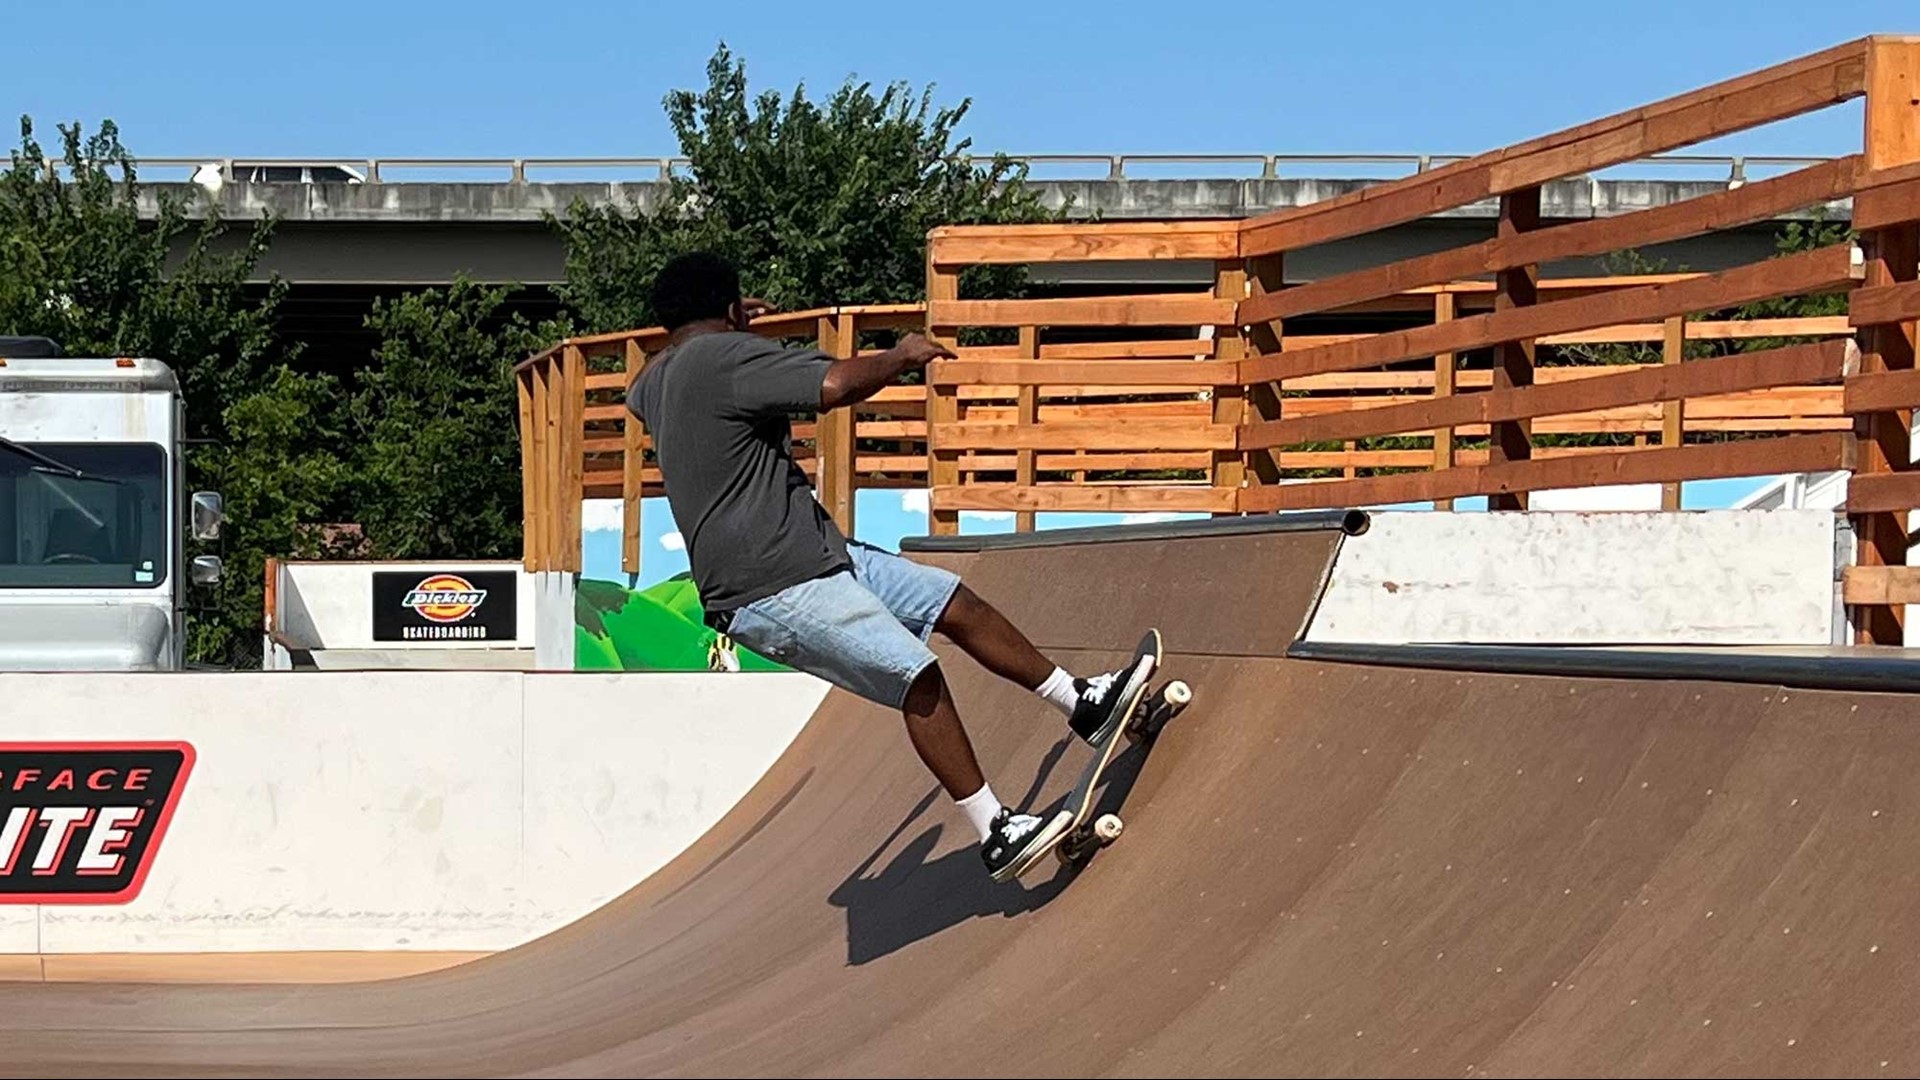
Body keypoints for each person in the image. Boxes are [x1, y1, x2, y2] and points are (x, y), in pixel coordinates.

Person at [626, 251, 1152, 880]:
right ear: (734, 308)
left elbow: (671, 373)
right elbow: (834, 386)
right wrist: (901, 355)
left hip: (818, 553)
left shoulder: (655, 382)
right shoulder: (727, 358)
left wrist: (736, 331)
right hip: (774, 583)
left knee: (953, 603)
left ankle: (1081, 703)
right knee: (916, 677)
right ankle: (996, 829)